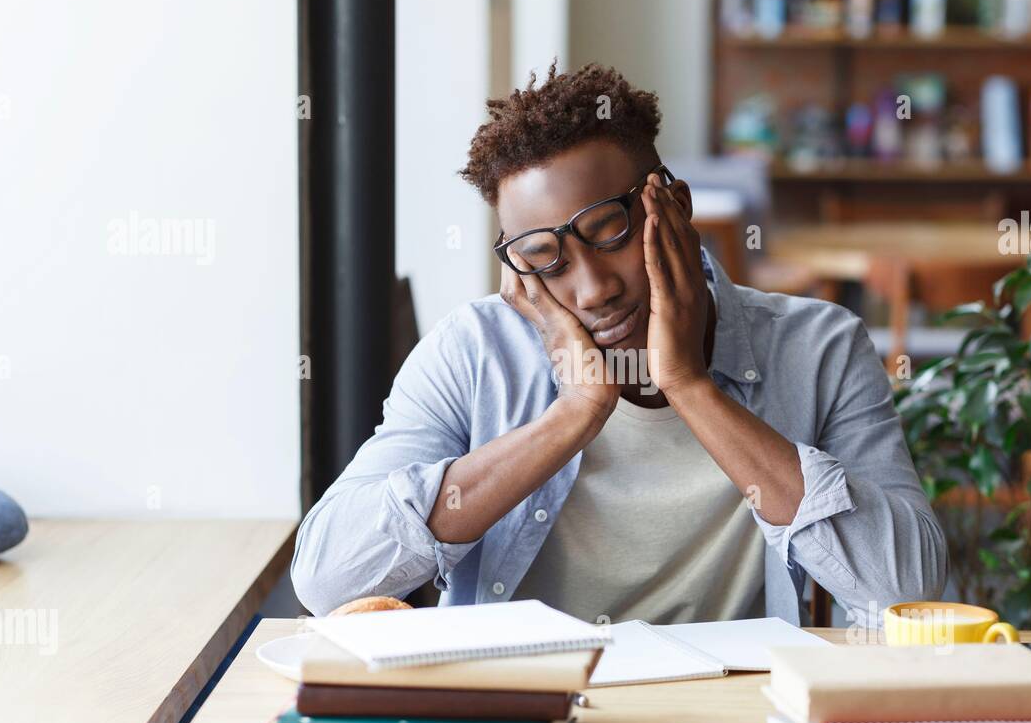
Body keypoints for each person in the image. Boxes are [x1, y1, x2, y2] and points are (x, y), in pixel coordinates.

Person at [291, 62, 945, 628]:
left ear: (675, 206)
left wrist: (691, 388)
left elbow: (907, 592)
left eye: (609, 231)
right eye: (543, 257)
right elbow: (328, 577)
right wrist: (574, 413)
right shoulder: (473, 354)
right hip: (527, 705)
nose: (594, 288)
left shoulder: (821, 348)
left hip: (733, 714)